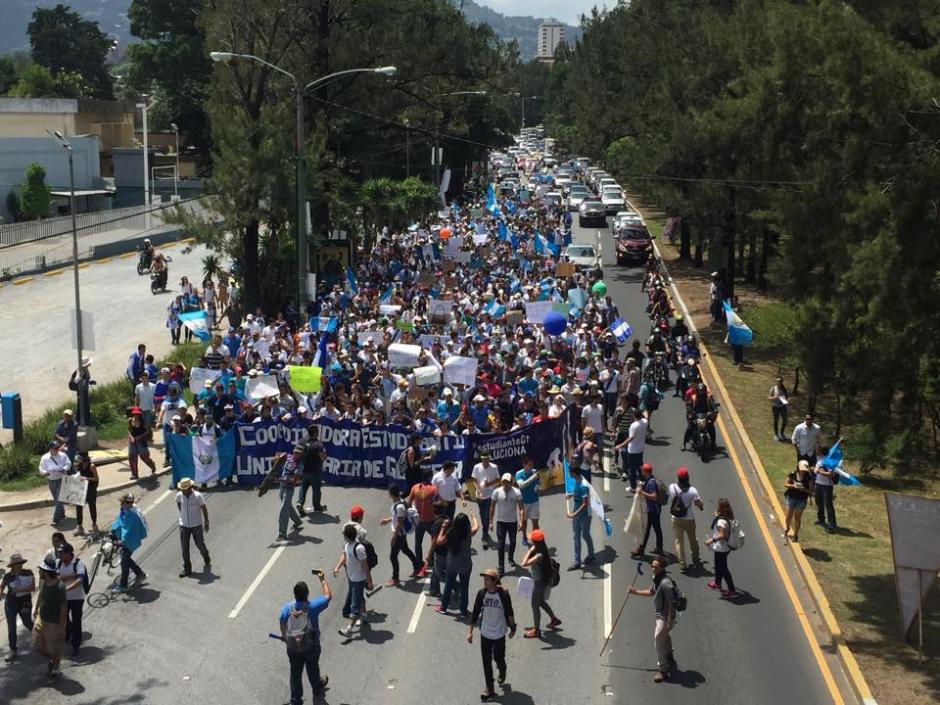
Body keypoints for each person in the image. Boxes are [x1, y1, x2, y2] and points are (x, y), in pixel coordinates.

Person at [278, 576, 332, 704]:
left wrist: (284, 636)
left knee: (295, 672)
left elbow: (282, 623)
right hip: (311, 645)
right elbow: (328, 596)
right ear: (307, 593)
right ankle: (317, 687)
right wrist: (322, 579)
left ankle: (296, 699)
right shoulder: (312, 606)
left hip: (293, 647)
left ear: (294, 594)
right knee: (312, 667)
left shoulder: (287, 608)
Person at [467, 568, 516, 702]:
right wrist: (470, 631)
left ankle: (502, 668)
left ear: (495, 581)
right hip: (486, 632)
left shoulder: (503, 595)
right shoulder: (481, 594)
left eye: (488, 579)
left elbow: (510, 612)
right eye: (484, 579)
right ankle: (490, 688)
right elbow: (475, 613)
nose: (485, 582)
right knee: (486, 662)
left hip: (499, 632)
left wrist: (513, 628)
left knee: (498, 657)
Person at [627, 557, 678, 683]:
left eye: (656, 567)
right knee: (664, 636)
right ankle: (669, 655)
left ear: (662, 568)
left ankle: (663, 670)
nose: (653, 569)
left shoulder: (666, 583)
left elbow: (672, 603)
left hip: (665, 617)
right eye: (652, 566)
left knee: (658, 640)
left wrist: (670, 620)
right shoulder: (657, 579)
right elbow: (651, 592)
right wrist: (635, 592)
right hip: (660, 614)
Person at [333, 523, 373, 638]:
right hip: (352, 577)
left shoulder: (359, 548)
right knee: (359, 598)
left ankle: (349, 629)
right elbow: (344, 557)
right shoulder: (347, 545)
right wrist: (337, 567)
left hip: (359, 580)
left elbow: (365, 565)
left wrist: (369, 581)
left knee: (354, 605)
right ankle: (364, 616)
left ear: (346, 536)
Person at [437, 512, 479, 617]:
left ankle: (443, 607)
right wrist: (474, 517)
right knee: (464, 588)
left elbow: (438, 541)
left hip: (452, 564)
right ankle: (463, 612)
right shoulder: (468, 533)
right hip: (465, 565)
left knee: (448, 585)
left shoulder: (450, 534)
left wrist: (443, 528)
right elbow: (477, 527)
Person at [520, 529, 560, 638]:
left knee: (535, 605)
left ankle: (536, 630)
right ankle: (554, 619)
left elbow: (523, 563)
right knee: (541, 602)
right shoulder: (542, 550)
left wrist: (529, 551)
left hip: (539, 583)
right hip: (541, 581)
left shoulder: (538, 556)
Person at [31, 557, 67, 678]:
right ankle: (55, 659)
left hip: (53, 624)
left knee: (53, 648)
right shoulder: (42, 582)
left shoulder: (60, 587)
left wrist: (62, 627)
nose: (39, 572)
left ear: (45, 572)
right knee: (36, 646)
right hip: (40, 619)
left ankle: (55, 668)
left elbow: (63, 609)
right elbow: (41, 595)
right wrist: (36, 609)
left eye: (40, 570)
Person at [380, 485, 421, 586]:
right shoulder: (401, 502)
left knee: (393, 556)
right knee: (405, 549)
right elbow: (398, 517)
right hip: (401, 533)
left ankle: (395, 578)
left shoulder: (399, 506)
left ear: (391, 494)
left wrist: (394, 537)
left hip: (399, 534)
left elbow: (400, 521)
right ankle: (417, 566)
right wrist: (388, 520)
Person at [109, 493, 148, 594]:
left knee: (124, 562)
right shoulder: (125, 510)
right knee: (125, 558)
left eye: (123, 503)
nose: (121, 505)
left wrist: (121, 542)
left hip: (132, 539)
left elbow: (129, 531)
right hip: (127, 538)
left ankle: (123, 585)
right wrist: (112, 530)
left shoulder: (133, 515)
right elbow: (120, 520)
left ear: (128, 504)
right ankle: (140, 574)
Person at [667, 467, 704, 571]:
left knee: (679, 540)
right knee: (692, 538)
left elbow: (667, 497)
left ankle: (682, 562)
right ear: (687, 477)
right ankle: (695, 556)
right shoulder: (692, 490)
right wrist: (701, 506)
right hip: (689, 519)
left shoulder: (672, 487)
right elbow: (698, 504)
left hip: (675, 518)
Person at [54, 543, 87, 656]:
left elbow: (80, 579)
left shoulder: (78, 563)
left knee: (77, 621)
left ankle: (76, 645)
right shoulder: (58, 563)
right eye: (58, 552)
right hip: (64, 598)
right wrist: (70, 577)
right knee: (64, 619)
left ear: (69, 553)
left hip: (77, 598)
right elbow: (57, 577)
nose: (59, 554)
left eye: (61, 553)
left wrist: (67, 588)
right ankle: (68, 634)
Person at [1, 553, 35, 663]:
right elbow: (2, 587)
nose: (19, 565)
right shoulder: (8, 576)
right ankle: (12, 649)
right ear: (12, 565)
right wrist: (1, 593)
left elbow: (32, 587)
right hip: (10, 603)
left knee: (27, 622)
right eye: (16, 563)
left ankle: (40, 636)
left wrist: (19, 590)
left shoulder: (28, 573)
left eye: (20, 563)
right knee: (11, 627)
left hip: (24, 602)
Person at [175, 478, 211, 577]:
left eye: (184, 489)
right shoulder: (179, 495)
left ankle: (205, 554)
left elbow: (204, 508)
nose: (183, 491)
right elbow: (178, 503)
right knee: (184, 548)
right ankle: (187, 569)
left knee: (199, 544)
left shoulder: (198, 496)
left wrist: (206, 522)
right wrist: (182, 515)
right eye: (182, 489)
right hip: (183, 525)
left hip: (196, 525)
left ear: (190, 488)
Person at [489, 473, 523, 576]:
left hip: (512, 522)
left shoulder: (516, 492)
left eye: (507, 482)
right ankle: (501, 566)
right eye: (504, 482)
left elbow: (521, 508)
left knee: (513, 542)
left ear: (511, 481)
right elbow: (492, 508)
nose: (505, 484)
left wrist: (521, 521)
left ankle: (511, 558)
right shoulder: (496, 492)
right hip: (501, 522)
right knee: (501, 543)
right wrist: (491, 522)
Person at [705, 498, 739, 598]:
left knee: (723, 569)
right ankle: (717, 583)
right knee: (718, 566)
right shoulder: (727, 517)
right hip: (724, 548)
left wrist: (710, 541)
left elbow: (722, 535)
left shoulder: (721, 522)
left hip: (721, 548)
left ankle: (732, 591)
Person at [565, 464, 595, 571]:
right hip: (577, 512)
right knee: (575, 536)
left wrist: (574, 514)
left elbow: (585, 504)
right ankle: (577, 561)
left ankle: (591, 555)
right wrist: (571, 495)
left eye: (570, 472)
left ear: (574, 473)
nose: (569, 474)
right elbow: (578, 495)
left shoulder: (583, 485)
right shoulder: (577, 481)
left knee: (585, 535)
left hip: (584, 515)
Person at [632, 463, 664, 558]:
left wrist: (641, 492)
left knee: (653, 530)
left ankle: (653, 549)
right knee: (649, 530)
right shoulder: (649, 480)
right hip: (652, 510)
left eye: (642, 470)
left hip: (653, 510)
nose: (641, 472)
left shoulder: (651, 483)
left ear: (646, 471)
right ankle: (655, 549)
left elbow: (654, 497)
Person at [408, 469, 439, 565]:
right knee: (435, 541)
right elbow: (438, 504)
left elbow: (409, 504)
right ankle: (432, 561)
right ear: (430, 477)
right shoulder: (434, 489)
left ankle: (419, 563)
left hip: (419, 521)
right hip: (431, 520)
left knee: (418, 544)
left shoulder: (415, 488)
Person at [38, 440, 70, 526]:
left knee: (59, 499)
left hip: (61, 479)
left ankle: (56, 519)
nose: (56, 450)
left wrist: (64, 469)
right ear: (50, 448)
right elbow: (41, 468)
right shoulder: (45, 458)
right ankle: (62, 514)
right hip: (51, 480)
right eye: (55, 448)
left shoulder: (63, 456)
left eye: (57, 448)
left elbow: (68, 464)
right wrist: (44, 472)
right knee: (56, 499)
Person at [471, 453, 500, 547]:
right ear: (481, 459)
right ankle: (485, 528)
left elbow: (498, 479)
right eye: (484, 459)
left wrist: (489, 484)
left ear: (489, 458)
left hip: (490, 495)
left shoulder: (494, 467)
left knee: (487, 516)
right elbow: (474, 480)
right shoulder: (476, 467)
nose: (485, 461)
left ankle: (484, 537)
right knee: (483, 516)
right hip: (479, 496)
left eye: (487, 459)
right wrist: (478, 490)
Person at [296, 425, 327, 514]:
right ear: (316, 433)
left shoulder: (302, 441)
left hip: (304, 470)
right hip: (315, 471)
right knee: (316, 489)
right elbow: (322, 458)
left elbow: (296, 453)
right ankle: (317, 506)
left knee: (303, 487)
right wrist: (325, 456)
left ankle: (300, 503)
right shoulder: (318, 444)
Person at [616, 409, 647, 491]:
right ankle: (643, 481)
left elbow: (631, 438)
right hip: (640, 449)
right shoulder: (644, 422)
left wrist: (620, 445)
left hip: (633, 450)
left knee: (632, 469)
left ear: (633, 416)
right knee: (640, 466)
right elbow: (646, 414)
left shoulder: (634, 425)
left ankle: (633, 487)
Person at [783, 460, 813, 543]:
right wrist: (793, 485)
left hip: (801, 500)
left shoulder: (809, 478)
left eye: (804, 470)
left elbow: (811, 491)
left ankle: (795, 535)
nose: (803, 471)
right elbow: (785, 484)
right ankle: (788, 527)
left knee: (797, 518)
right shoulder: (792, 474)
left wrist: (804, 489)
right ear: (798, 467)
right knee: (788, 517)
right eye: (802, 469)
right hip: (791, 497)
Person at [514, 457, 541, 547]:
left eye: (532, 464)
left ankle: (535, 539)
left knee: (535, 523)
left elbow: (538, 483)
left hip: (534, 501)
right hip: (523, 502)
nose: (531, 467)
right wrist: (533, 477)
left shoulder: (535, 472)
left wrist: (537, 488)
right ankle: (524, 537)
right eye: (529, 465)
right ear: (524, 465)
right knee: (524, 522)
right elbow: (522, 485)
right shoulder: (519, 474)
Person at [72, 452, 99, 536]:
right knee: (78, 506)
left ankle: (94, 524)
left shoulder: (91, 466)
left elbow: (96, 478)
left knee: (92, 506)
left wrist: (86, 478)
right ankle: (79, 526)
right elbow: (78, 475)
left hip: (91, 488)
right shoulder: (79, 466)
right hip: (81, 488)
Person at [127, 408, 157, 479]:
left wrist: (139, 437)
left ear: (139, 414)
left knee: (144, 457)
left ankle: (152, 465)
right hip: (132, 442)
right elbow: (128, 430)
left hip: (141, 442)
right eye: (134, 414)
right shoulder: (130, 420)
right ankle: (134, 474)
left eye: (137, 414)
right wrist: (131, 437)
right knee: (132, 458)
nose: (136, 415)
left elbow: (148, 432)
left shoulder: (143, 422)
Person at [813, 446, 837, 533]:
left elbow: (831, 474)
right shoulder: (819, 460)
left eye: (818, 450)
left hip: (827, 486)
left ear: (821, 451)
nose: (816, 451)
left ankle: (832, 525)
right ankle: (821, 518)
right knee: (818, 503)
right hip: (818, 484)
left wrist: (819, 472)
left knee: (828, 505)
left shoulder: (829, 462)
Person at [769, 376, 789, 441]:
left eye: (780, 381)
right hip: (775, 407)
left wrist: (784, 399)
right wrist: (774, 397)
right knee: (776, 420)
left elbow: (786, 397)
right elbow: (769, 398)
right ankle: (776, 434)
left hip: (783, 406)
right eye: (777, 381)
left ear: (781, 382)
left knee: (785, 420)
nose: (778, 382)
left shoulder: (784, 389)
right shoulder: (773, 389)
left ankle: (782, 433)